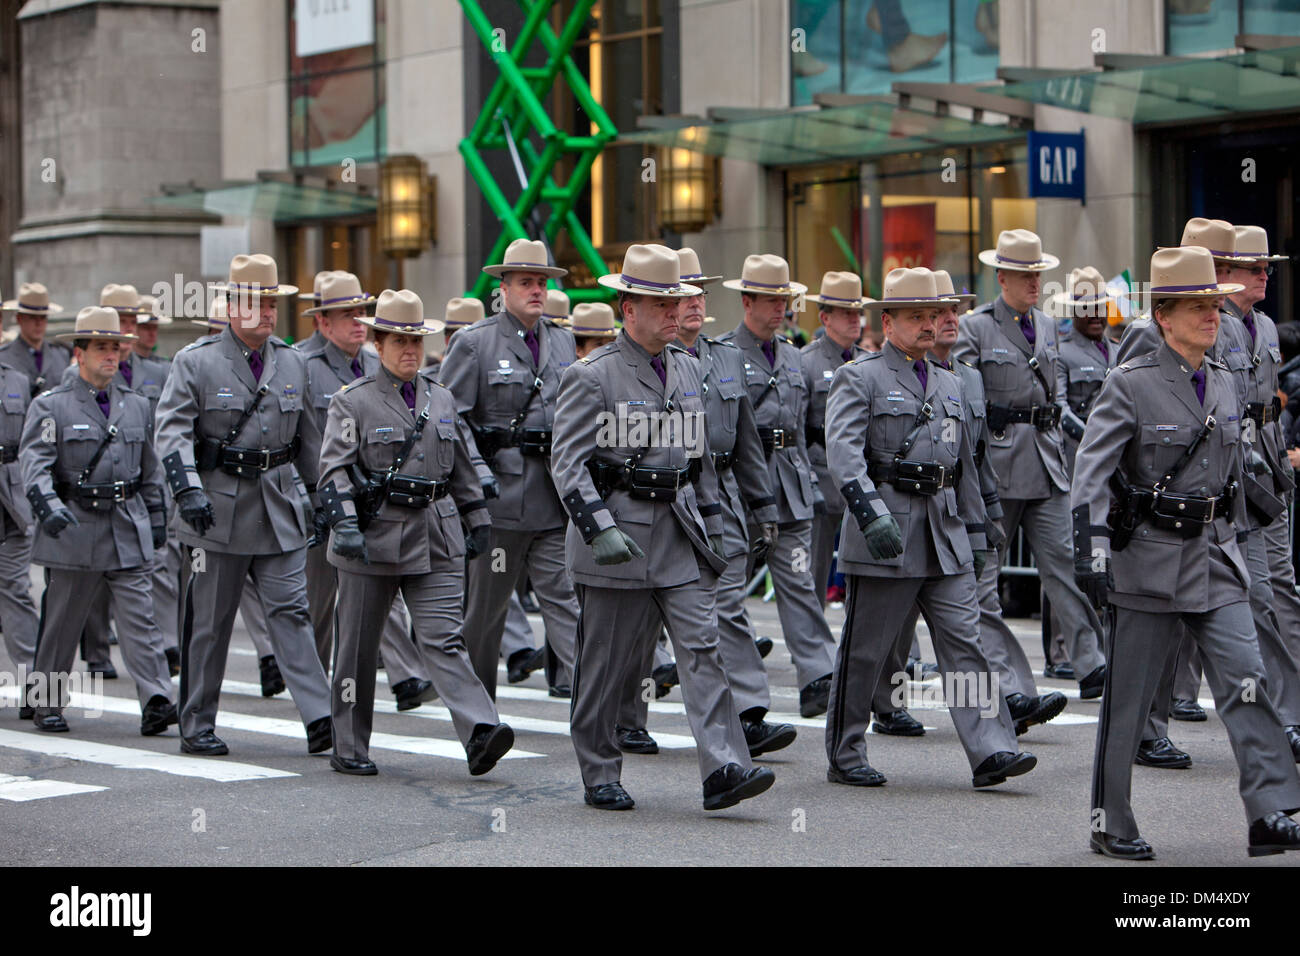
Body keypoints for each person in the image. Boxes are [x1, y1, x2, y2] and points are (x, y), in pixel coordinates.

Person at [1072, 245, 1300, 860]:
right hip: (1147, 559)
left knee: (1247, 679)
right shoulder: (1131, 385)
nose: (1213, 316)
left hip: (1215, 557)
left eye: (1216, 306)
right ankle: (1109, 819)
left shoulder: (1225, 382)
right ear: (1163, 317)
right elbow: (1090, 474)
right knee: (1130, 699)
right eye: (1197, 307)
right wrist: (1092, 553)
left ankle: (1272, 809)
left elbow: (1234, 472)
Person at [550, 243, 774, 812]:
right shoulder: (592, 376)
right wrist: (597, 528)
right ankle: (599, 769)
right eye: (660, 303)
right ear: (627, 307)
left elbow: (696, 457)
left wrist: (716, 521)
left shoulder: (690, 368)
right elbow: (568, 465)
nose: (675, 314)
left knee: (702, 648)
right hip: (616, 538)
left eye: (677, 301)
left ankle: (723, 765)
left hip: (678, 533)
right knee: (607, 663)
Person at [824, 267, 1033, 788]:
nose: (928, 324)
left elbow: (962, 465)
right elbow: (844, 456)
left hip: (944, 534)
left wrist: (980, 532)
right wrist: (869, 515)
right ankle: (846, 751)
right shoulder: (860, 376)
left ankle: (991, 749)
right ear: (888, 320)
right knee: (866, 650)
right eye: (915, 315)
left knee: (965, 644)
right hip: (886, 531)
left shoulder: (952, 381)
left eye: (934, 314)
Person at [316, 289, 513, 776]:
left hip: (435, 533)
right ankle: (349, 744)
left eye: (415, 342)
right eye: (398, 341)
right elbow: (333, 471)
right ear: (377, 345)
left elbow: (462, 466)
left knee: (444, 637)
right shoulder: (351, 402)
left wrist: (479, 518)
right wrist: (343, 523)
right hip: (372, 537)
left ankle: (480, 730)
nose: (409, 350)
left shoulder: (441, 397)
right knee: (358, 650)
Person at [615, 247, 794, 759]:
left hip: (715, 496)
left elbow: (746, 445)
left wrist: (764, 510)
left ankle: (748, 712)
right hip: (654, 496)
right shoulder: (639, 360)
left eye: (699, 292)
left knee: (725, 605)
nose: (692, 302)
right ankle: (629, 716)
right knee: (643, 620)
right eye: (682, 293)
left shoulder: (728, 359)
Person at [154, 253, 332, 757]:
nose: (268, 312)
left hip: (276, 509)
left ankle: (320, 717)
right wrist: (187, 489)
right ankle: (197, 724)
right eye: (256, 302)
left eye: (272, 302)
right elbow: (170, 434)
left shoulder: (292, 361)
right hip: (216, 509)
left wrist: (322, 498)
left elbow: (309, 442)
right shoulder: (197, 361)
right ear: (232, 306)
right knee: (210, 622)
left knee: (292, 613)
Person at [954, 229, 1108, 705]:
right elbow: (958, 395)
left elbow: (1054, 395)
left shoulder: (1046, 325)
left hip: (1045, 464)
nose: (1034, 283)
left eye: (1038, 274)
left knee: (1068, 566)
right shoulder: (976, 327)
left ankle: (1092, 664)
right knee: (987, 578)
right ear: (1003, 277)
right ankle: (1002, 681)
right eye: (1025, 275)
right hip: (997, 467)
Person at [20, 306, 176, 735]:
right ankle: (46, 702)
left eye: (116, 347)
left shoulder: (136, 406)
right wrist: (49, 509)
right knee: (63, 622)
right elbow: (34, 465)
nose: (111, 355)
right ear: (80, 352)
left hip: (127, 524)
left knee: (140, 620)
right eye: (101, 348)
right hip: (75, 526)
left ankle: (157, 699)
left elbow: (150, 470)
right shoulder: (51, 407)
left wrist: (158, 517)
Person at [438, 238, 580, 699]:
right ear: (504, 287)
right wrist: (475, 474)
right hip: (498, 500)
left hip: (552, 497)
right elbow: (449, 418)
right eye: (525, 282)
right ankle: (480, 712)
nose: (536, 290)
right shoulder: (474, 342)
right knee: (486, 613)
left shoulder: (563, 341)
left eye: (541, 282)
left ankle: (596, 703)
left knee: (567, 603)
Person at [298, 272, 434, 710]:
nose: (358, 321)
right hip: (321, 501)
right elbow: (299, 440)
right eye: (346, 314)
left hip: (374, 508)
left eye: (362, 313)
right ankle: (317, 698)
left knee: (381, 591)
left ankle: (405, 677)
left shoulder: (380, 365)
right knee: (318, 606)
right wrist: (312, 499)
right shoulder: (302, 367)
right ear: (322, 323)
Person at [718, 254, 838, 717]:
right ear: (747, 301)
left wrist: (810, 476)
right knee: (728, 592)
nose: (779, 309)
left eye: (784, 300)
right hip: (743, 490)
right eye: (770, 300)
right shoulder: (724, 353)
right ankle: (736, 688)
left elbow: (810, 426)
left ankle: (818, 675)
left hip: (790, 483)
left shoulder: (793, 355)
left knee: (799, 583)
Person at [1044, 266, 1119, 680]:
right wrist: (1095, 436)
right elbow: (1061, 409)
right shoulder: (1062, 350)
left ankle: (1100, 644)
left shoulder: (1117, 349)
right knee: (1068, 557)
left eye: (1098, 307)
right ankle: (1060, 652)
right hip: (1074, 465)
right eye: (1084, 307)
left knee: (1102, 554)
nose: (1093, 314)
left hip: (1113, 472)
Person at [0, 283, 71, 398]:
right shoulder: (4, 357)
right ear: (19, 319)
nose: (39, 323)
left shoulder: (61, 354)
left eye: (43, 317)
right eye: (32, 317)